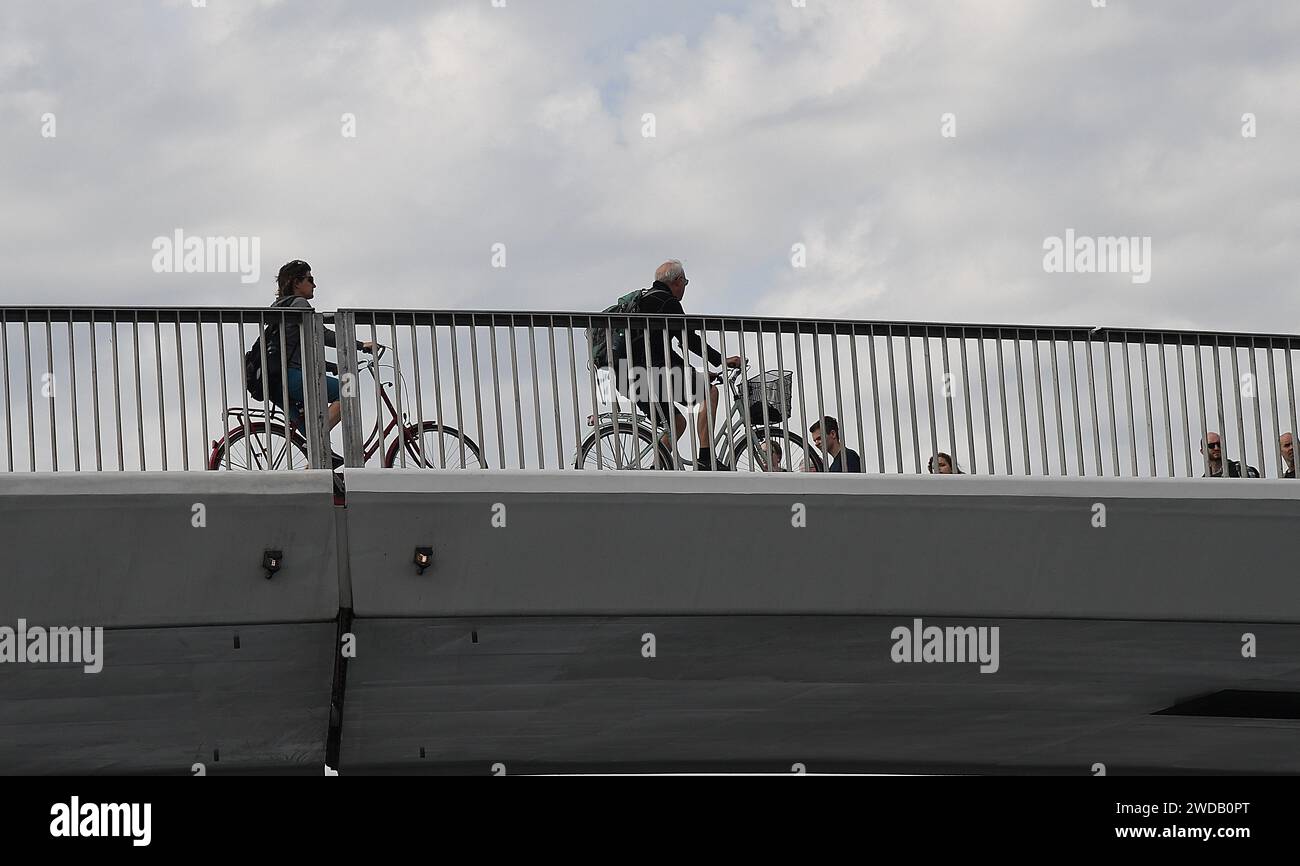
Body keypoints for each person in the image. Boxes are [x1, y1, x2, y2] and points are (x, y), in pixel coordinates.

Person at [624, 260, 741, 469]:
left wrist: (694, 372)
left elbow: (661, 351)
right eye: (684, 282)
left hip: (629, 375)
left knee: (677, 424)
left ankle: (656, 469)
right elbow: (688, 339)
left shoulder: (645, 299)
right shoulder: (666, 302)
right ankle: (706, 459)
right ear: (677, 281)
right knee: (709, 393)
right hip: (652, 372)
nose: (684, 287)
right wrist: (721, 360)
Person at [269, 260, 376, 436]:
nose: (314, 285)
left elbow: (298, 351)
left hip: (272, 380)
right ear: (297, 282)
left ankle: (315, 460)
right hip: (289, 377)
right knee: (347, 390)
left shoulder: (279, 306)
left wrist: (330, 366)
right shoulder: (298, 304)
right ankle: (319, 442)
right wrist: (360, 345)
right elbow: (321, 334)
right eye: (310, 279)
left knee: (308, 433)